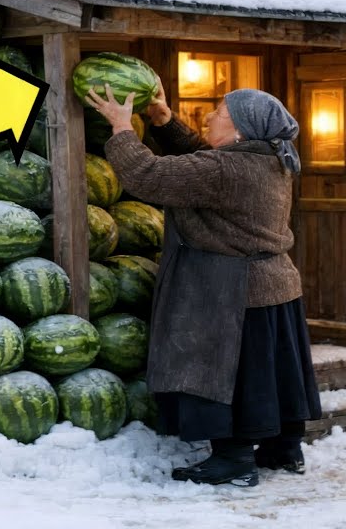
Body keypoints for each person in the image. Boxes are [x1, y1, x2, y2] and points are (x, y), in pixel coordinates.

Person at [84, 81, 321, 488]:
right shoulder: (268, 157)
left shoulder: (226, 169)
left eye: (220, 114)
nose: (209, 117)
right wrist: (163, 120)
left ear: (242, 131)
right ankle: (284, 448)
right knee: (270, 372)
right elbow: (201, 164)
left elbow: (149, 175)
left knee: (227, 374)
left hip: (232, 290)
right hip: (272, 285)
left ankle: (234, 460)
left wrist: (122, 128)